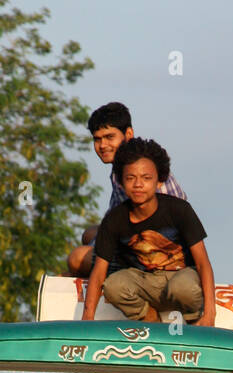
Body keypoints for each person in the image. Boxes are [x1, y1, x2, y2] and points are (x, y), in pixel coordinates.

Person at [81, 138, 215, 327]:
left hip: (181, 277)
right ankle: (150, 319)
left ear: (159, 181)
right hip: (145, 281)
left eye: (146, 178)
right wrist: (87, 317)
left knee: (182, 287)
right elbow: (99, 272)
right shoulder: (114, 219)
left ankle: (195, 320)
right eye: (131, 178)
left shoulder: (179, 210)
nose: (138, 185)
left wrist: (210, 313)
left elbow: (203, 264)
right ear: (120, 182)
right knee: (113, 285)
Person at [66, 102, 186, 278]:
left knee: (76, 259)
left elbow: (154, 226)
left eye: (109, 137)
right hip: (137, 239)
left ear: (128, 134)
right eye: (97, 139)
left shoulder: (137, 166)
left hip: (159, 252)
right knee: (89, 234)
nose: (103, 145)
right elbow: (114, 219)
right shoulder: (121, 167)